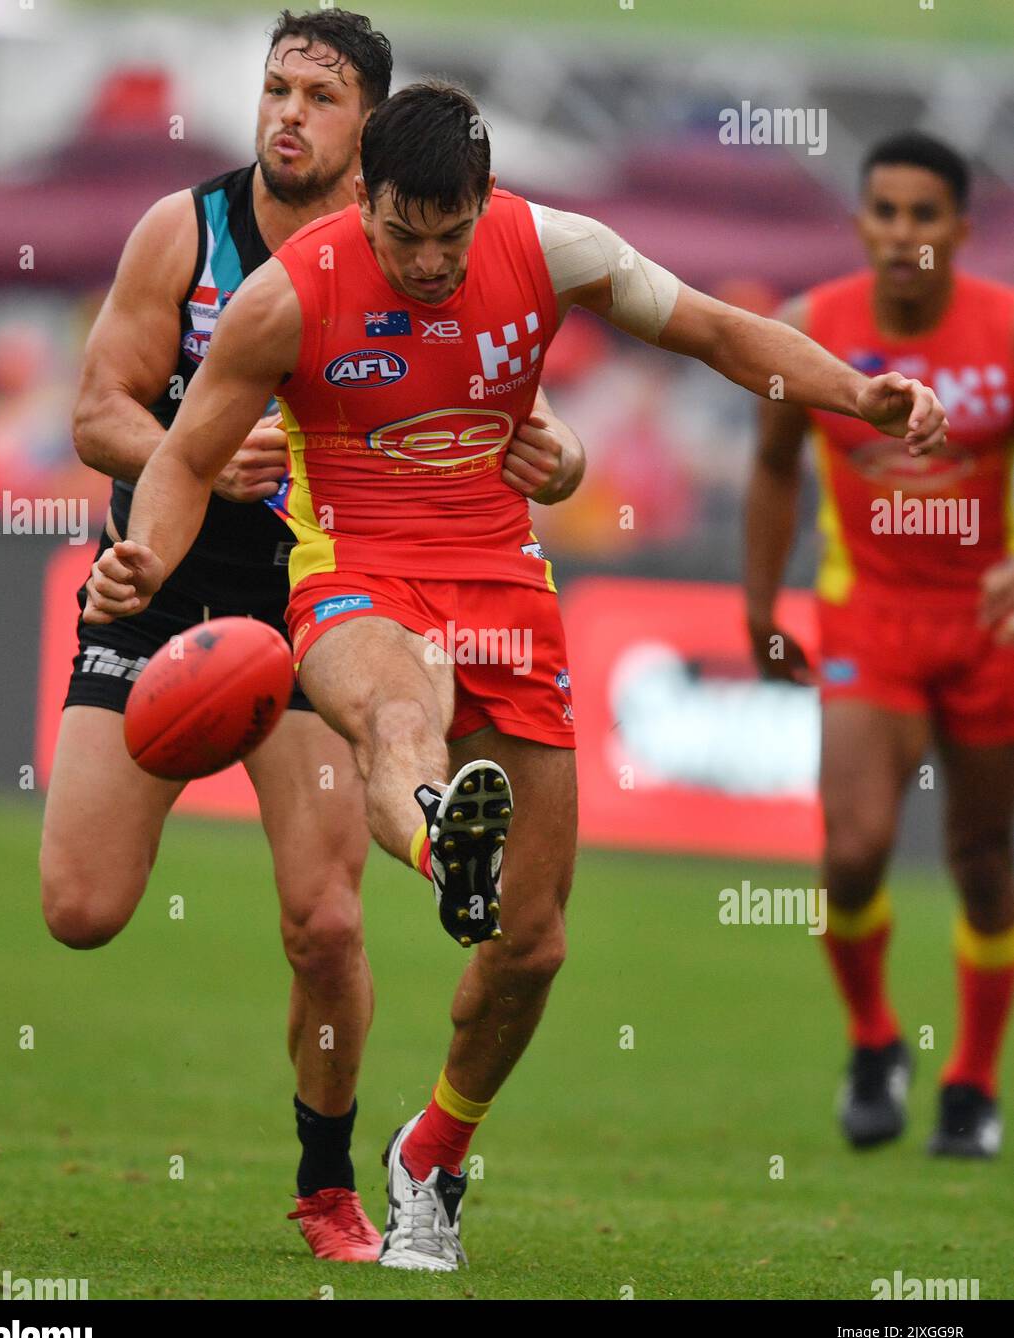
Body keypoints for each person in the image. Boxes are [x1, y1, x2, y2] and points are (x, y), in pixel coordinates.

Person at [82, 83, 946, 1269]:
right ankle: (444, 840)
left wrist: (859, 390)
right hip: (355, 575)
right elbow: (181, 457)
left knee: (532, 945)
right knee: (399, 709)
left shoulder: (553, 247)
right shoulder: (286, 296)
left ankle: (431, 1151)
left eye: (452, 232)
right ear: (366, 199)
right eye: (404, 232)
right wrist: (142, 559)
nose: (429, 260)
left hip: (506, 583)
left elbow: (712, 330)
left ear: (483, 202)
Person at [41, 10, 585, 1264]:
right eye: (274, 88)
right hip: (167, 587)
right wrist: (187, 459)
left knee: (325, 922)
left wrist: (560, 452)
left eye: (317, 97)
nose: (285, 113)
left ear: (372, 135)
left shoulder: (415, 246)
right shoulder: (184, 231)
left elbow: (497, 400)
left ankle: (330, 1186)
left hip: (319, 599)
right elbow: (96, 408)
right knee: (78, 905)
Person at [745, 132, 1014, 1158]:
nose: (902, 233)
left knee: (983, 866)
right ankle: (871, 1041)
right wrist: (757, 605)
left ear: (958, 226)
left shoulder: (1003, 332)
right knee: (852, 851)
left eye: (923, 214)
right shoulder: (812, 327)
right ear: (860, 222)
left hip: (985, 629)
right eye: (884, 212)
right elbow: (772, 467)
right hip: (866, 620)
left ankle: (969, 1085)